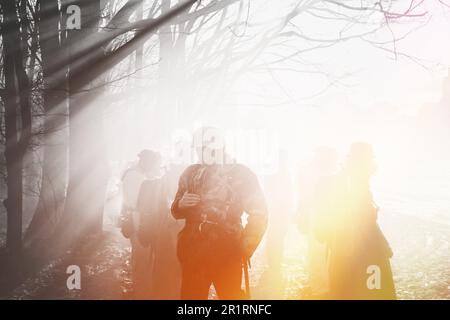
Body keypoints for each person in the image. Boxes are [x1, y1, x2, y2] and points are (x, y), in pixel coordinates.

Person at [171, 127, 268, 299]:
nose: (199, 153)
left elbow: (259, 212)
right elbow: (175, 210)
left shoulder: (241, 174)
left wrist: (245, 246)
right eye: (197, 149)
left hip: (228, 250)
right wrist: (180, 204)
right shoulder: (190, 173)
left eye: (203, 148)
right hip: (193, 251)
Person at [327, 142, 396, 299]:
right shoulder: (356, 183)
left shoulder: (347, 179)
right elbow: (363, 220)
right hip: (362, 250)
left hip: (343, 248)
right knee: (372, 290)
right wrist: (382, 243)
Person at [296, 146, 338, 297]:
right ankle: (324, 287)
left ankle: (321, 287)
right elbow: (303, 196)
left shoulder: (306, 170)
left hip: (319, 214)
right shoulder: (335, 170)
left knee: (317, 252)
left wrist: (301, 214)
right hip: (323, 215)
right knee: (321, 252)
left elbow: (303, 196)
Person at [120, 149, 162, 299]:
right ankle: (142, 294)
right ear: (145, 161)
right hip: (137, 221)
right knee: (141, 260)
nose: (155, 167)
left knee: (144, 260)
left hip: (142, 220)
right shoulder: (134, 176)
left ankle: (145, 292)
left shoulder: (140, 175)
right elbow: (136, 202)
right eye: (153, 163)